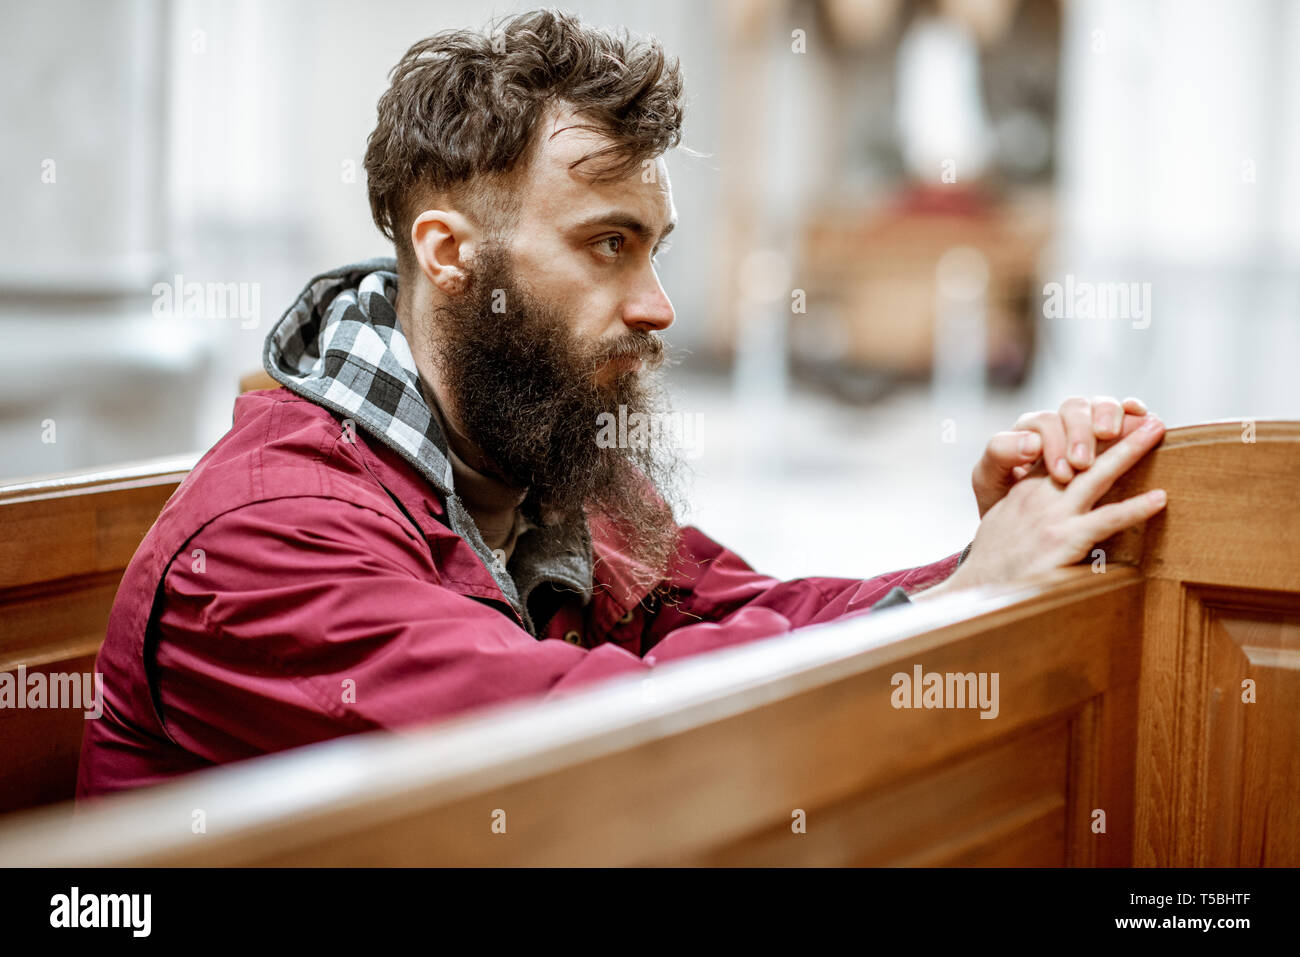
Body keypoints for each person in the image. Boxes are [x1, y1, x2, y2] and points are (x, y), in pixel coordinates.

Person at [76, 9, 1167, 798]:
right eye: (606, 245)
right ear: (452, 255)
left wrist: (991, 557)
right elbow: (561, 738)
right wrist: (954, 602)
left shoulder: (547, 475)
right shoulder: (264, 542)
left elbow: (754, 617)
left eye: (653, 249)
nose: (656, 307)